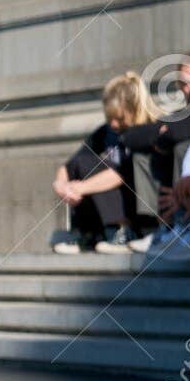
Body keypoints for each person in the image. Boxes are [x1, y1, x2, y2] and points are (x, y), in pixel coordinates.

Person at [120, 53, 190, 258]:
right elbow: (130, 137)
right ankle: (158, 227)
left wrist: (167, 133)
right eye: (186, 84)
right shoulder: (187, 111)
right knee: (143, 156)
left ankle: (185, 222)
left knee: (182, 146)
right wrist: (162, 135)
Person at [49, 72, 157, 254]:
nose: (114, 124)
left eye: (120, 118)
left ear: (134, 110)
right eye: (109, 118)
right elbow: (69, 165)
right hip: (108, 194)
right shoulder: (106, 132)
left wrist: (80, 188)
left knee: (102, 170)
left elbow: (121, 173)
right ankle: (88, 232)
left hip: (135, 201)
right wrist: (61, 185)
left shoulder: (145, 132)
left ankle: (123, 231)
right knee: (82, 162)